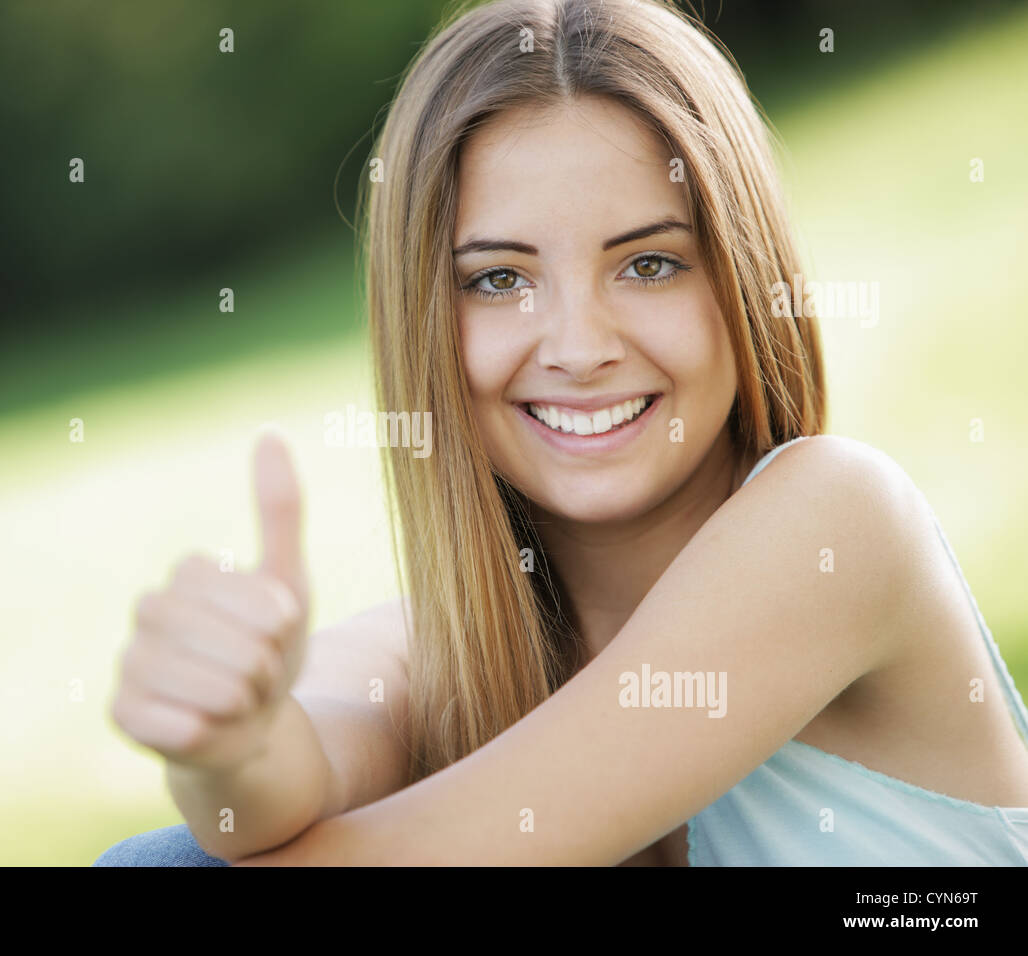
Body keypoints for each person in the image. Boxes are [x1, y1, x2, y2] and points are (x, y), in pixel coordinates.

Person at [95, 0, 1028, 866]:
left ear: (741, 283)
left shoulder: (837, 523)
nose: (580, 349)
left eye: (651, 263)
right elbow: (282, 770)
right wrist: (230, 745)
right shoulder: (447, 649)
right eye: (499, 279)